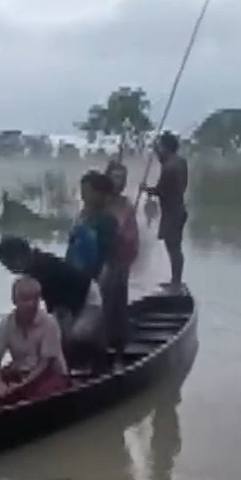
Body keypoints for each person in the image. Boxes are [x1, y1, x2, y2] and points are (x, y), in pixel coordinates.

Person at [0, 236, 105, 355]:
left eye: (9, 265)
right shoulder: (35, 266)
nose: (10, 270)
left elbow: (61, 307)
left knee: (74, 338)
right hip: (71, 302)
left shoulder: (44, 269)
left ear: (19, 257)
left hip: (88, 300)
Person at [0, 276, 70, 404]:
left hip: (48, 374)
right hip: (20, 372)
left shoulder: (49, 323)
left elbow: (45, 364)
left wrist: (22, 385)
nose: (31, 304)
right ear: (14, 300)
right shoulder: (6, 324)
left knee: (41, 394)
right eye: (26, 299)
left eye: (35, 299)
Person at [140, 131, 188, 290]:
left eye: (160, 147)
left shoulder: (169, 168)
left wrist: (146, 189)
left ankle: (176, 282)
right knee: (175, 247)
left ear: (166, 147)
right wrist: (157, 152)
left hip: (172, 213)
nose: (158, 150)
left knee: (173, 247)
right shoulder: (180, 162)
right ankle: (175, 280)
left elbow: (161, 191)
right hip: (179, 208)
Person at [102, 157, 139, 353]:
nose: (118, 181)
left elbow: (133, 237)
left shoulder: (126, 205)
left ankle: (117, 348)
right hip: (99, 262)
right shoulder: (99, 202)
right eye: (115, 176)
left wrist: (122, 238)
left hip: (119, 262)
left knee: (117, 306)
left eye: (122, 178)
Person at [66, 171, 118, 281]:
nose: (83, 196)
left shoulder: (106, 220)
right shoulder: (82, 216)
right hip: (73, 273)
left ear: (100, 194)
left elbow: (106, 254)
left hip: (91, 276)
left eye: (87, 191)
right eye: (82, 191)